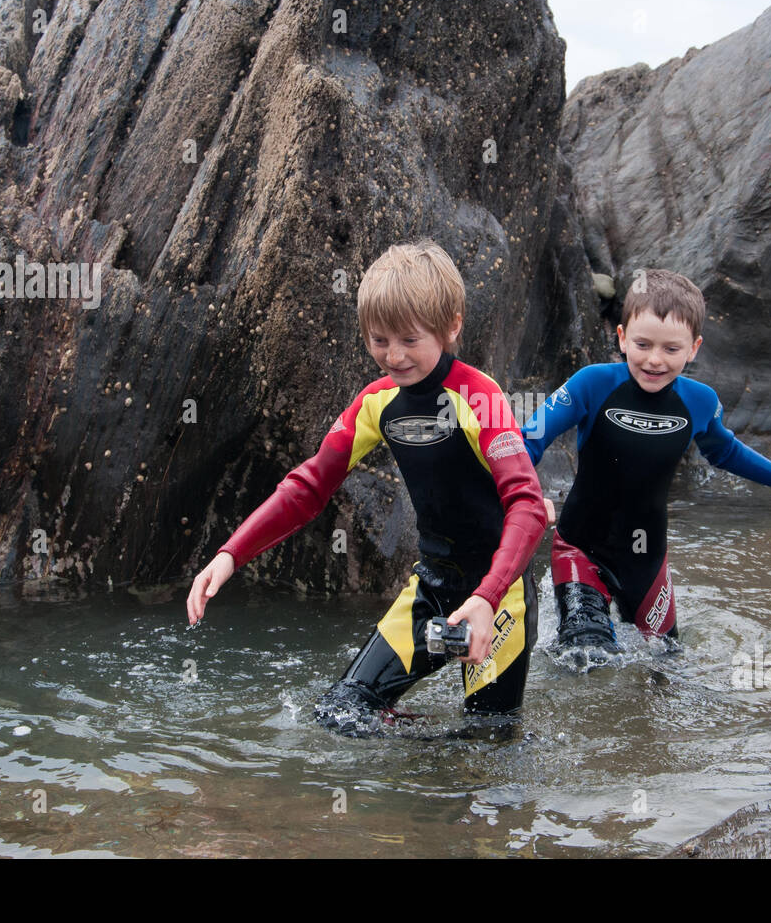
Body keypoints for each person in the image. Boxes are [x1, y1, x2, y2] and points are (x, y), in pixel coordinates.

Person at [186, 240, 549, 733]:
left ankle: (447, 754)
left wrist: (487, 597)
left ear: (451, 327)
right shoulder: (377, 403)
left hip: (499, 598)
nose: (393, 356)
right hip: (432, 589)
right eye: (379, 340)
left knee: (485, 741)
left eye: (409, 339)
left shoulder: (477, 396)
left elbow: (527, 504)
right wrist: (231, 554)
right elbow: (309, 486)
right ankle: (421, 746)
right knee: (342, 713)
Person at [522, 269, 771, 666]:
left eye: (671, 349)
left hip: (647, 560)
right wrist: (527, 494)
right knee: (585, 656)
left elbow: (726, 452)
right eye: (642, 344)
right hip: (580, 549)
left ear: (694, 348)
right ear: (622, 337)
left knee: (667, 664)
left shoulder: (699, 402)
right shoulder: (592, 384)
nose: (655, 359)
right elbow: (529, 439)